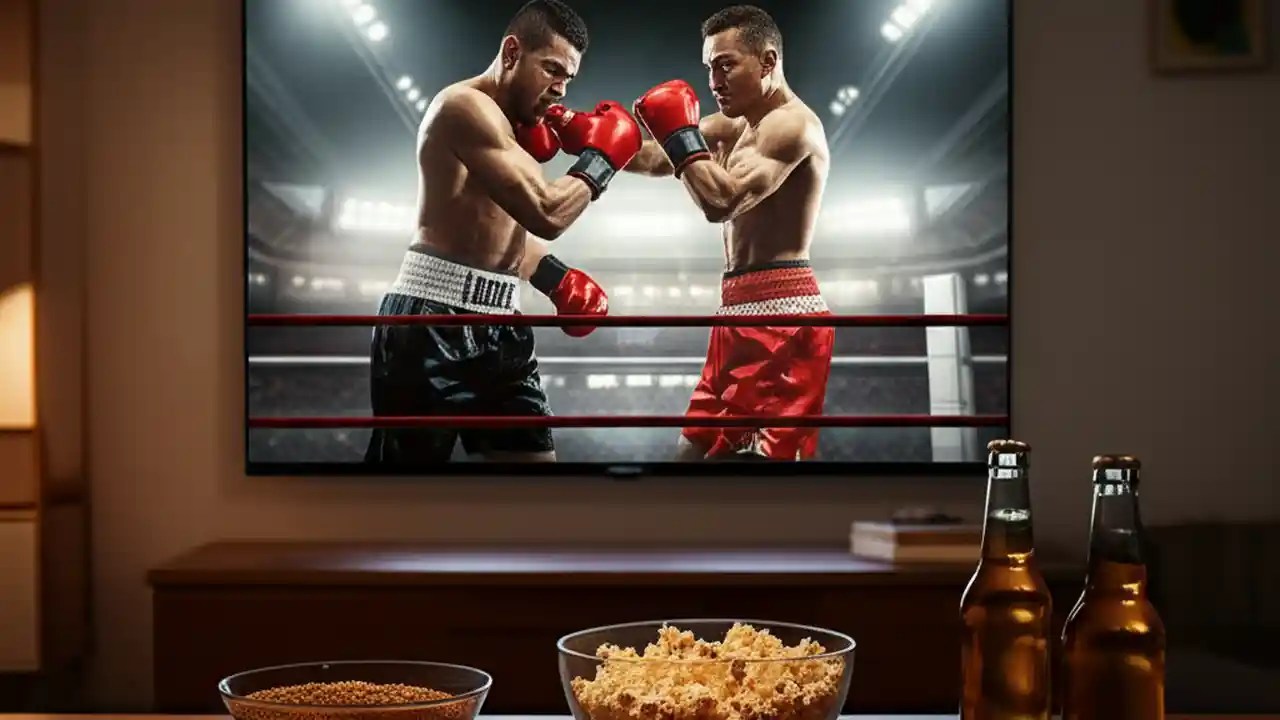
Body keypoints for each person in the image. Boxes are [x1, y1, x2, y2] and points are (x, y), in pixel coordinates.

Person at [364, 0, 643, 465]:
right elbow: (546, 213)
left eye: (568, 78)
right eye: (551, 69)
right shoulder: (464, 108)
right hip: (431, 321)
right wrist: (603, 159)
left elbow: (499, 226)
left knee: (535, 488)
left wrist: (554, 277)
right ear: (512, 52)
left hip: (503, 325)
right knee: (403, 496)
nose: (560, 89)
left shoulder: (518, 128)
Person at [627, 4, 834, 460]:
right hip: (733, 312)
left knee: (742, 477)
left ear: (768, 61)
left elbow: (721, 202)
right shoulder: (733, 126)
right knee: (687, 457)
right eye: (709, 68)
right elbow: (655, 157)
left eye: (725, 65)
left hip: (782, 316)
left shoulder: (793, 127)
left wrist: (679, 136)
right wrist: (583, 137)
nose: (714, 82)